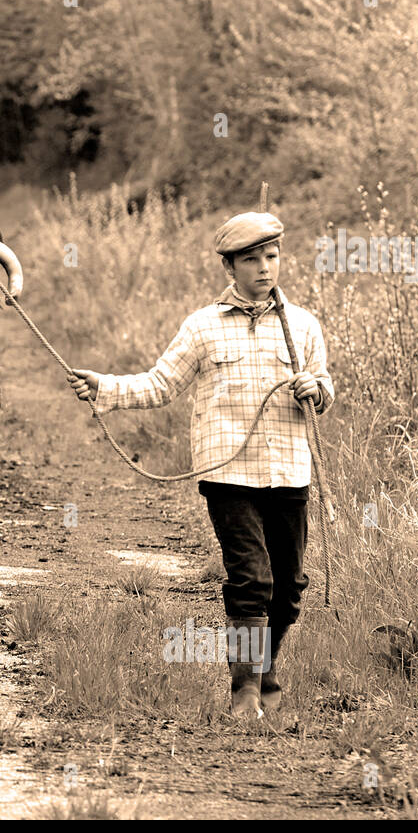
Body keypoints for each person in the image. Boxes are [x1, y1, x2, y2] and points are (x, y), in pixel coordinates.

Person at [69, 211, 334, 718]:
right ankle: (246, 693)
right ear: (229, 267)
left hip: (289, 472)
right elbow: (159, 384)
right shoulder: (203, 327)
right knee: (252, 580)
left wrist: (315, 390)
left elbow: (325, 386)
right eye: (251, 259)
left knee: (290, 588)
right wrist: (104, 387)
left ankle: (264, 671)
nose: (264, 268)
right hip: (228, 475)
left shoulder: (301, 325)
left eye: (272, 256)